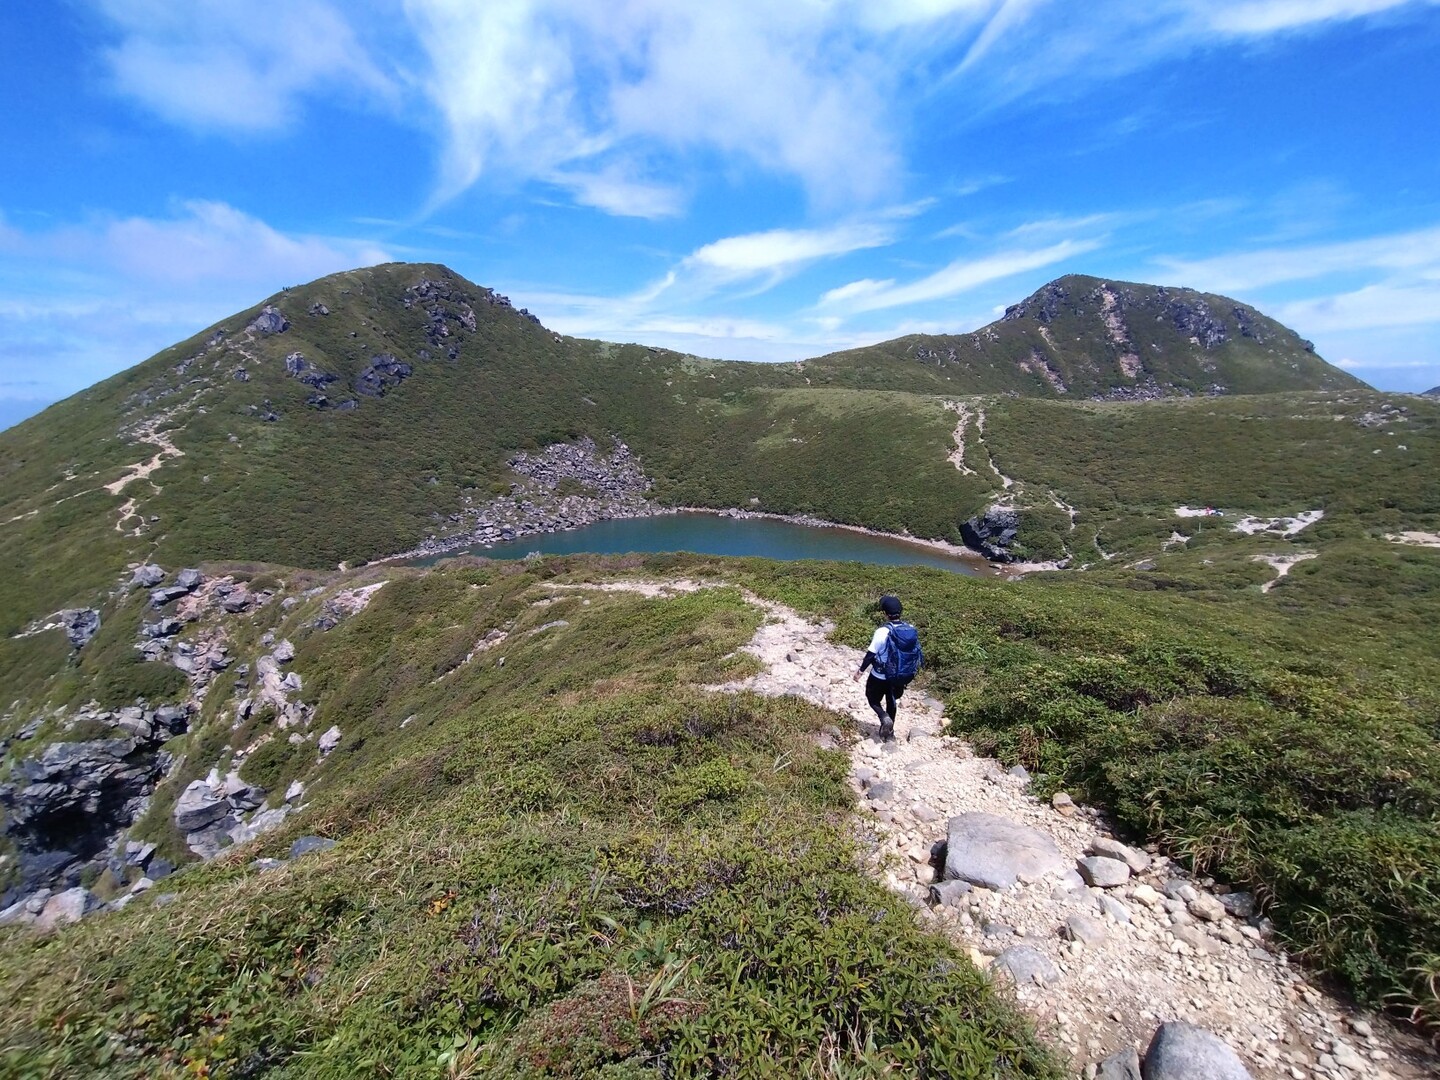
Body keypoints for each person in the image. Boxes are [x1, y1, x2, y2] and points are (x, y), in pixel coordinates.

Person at [851, 594, 920, 740]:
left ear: (885, 614)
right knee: (892, 701)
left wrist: (860, 671)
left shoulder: (882, 631)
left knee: (872, 699)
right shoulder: (910, 629)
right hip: (899, 676)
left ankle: (883, 717)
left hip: (880, 675)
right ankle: (890, 735)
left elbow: (870, 655)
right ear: (900, 611)